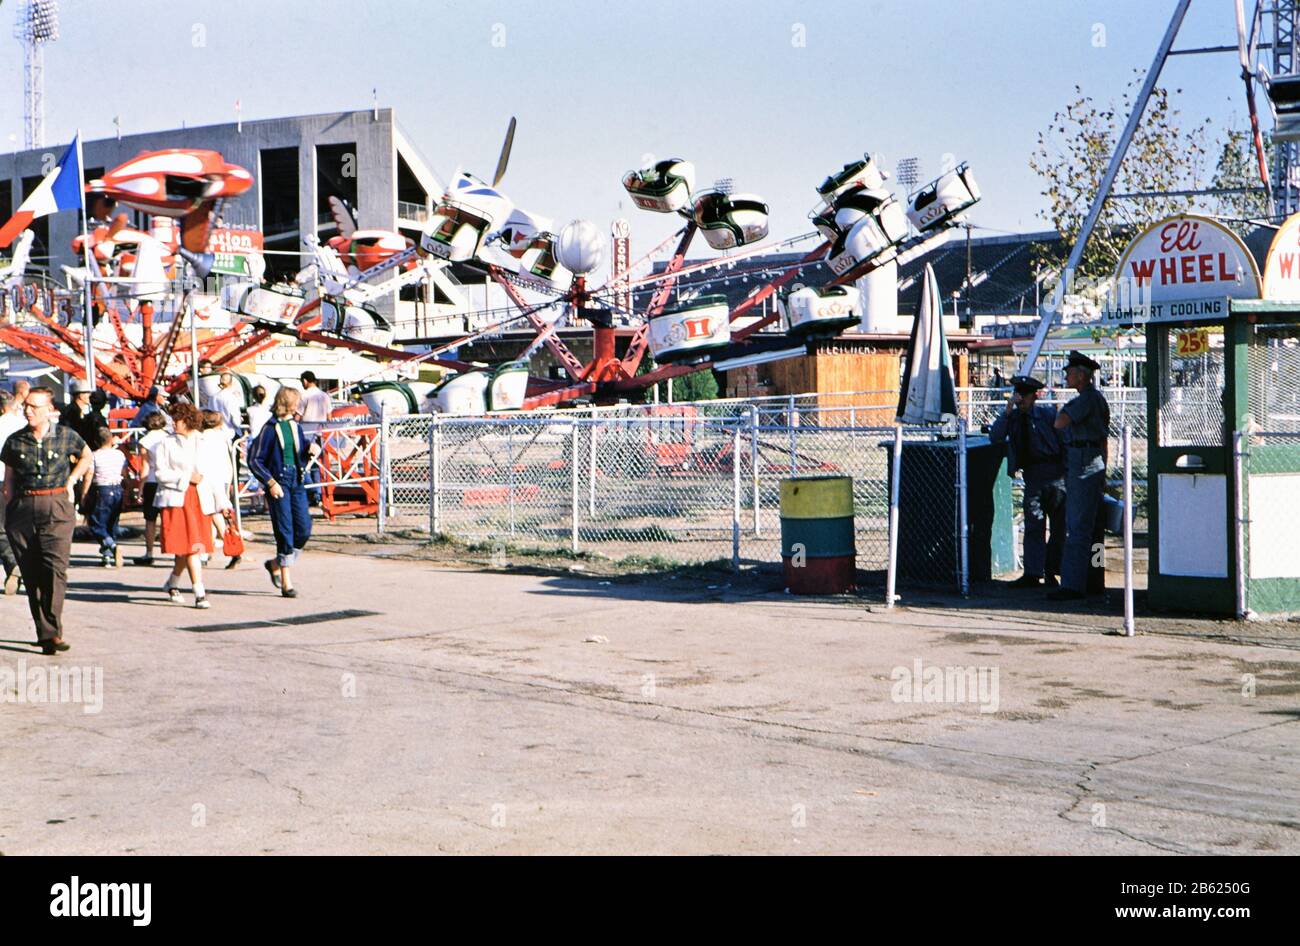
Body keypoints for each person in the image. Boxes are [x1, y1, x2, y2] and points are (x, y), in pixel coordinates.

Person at [0, 386, 92, 653]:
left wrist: (73, 480)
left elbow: (86, 455)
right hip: (23, 507)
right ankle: (45, 632)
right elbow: (9, 475)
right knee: (31, 572)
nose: (28, 410)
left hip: (56, 506)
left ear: (49, 411)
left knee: (55, 568)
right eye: (27, 405)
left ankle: (52, 632)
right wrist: (9, 498)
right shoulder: (15, 440)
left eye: (34, 407)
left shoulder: (66, 436)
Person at [989, 375, 1066, 589]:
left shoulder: (1049, 415)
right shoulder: (1012, 418)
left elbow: (1064, 442)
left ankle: (1054, 570)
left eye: (1025, 395)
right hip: (1032, 475)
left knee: (1059, 526)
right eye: (1018, 394)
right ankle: (1033, 572)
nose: (1021, 399)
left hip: (1055, 474)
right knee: (1034, 524)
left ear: (1035, 396)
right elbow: (995, 437)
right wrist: (1007, 411)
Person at [1050, 351, 1111, 603]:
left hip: (1082, 462)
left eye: (1070, 372)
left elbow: (1060, 422)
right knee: (1095, 526)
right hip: (1093, 460)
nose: (1066, 375)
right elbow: (1105, 440)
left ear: (1082, 376)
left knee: (1077, 527)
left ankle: (1073, 584)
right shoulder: (1097, 399)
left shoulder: (1085, 400)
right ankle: (1095, 578)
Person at [248, 386, 319, 598]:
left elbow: (299, 451)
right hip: (279, 482)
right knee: (285, 529)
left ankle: (275, 564)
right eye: (296, 402)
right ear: (288, 403)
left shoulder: (294, 426)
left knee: (304, 528)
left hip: (295, 480)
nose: (299, 406)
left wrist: (310, 449)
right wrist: (270, 482)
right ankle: (287, 581)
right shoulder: (270, 428)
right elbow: (254, 459)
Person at [153, 402, 220, 609]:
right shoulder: (165, 443)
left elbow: (213, 473)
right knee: (188, 547)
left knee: (191, 546)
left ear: (188, 420)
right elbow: (160, 473)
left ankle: (173, 583)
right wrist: (186, 477)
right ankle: (199, 592)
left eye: (178, 420)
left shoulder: (203, 441)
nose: (174, 424)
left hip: (200, 498)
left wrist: (222, 503)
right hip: (177, 498)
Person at [199, 409, 237, 567]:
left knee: (209, 513)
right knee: (217, 512)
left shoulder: (201, 438)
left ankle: (208, 551)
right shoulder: (223, 436)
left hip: (207, 477)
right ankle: (218, 548)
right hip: (224, 476)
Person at [84, 426, 126, 567]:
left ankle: (112, 546)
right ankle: (107, 556)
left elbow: (89, 475)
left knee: (96, 523)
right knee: (111, 524)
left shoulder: (94, 456)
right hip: (118, 488)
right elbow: (125, 473)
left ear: (96, 441)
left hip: (102, 489)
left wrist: (84, 493)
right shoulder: (119, 455)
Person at [132, 411, 169, 566]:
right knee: (168, 518)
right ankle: (174, 550)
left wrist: (140, 487)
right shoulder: (169, 437)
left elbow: (145, 467)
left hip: (152, 480)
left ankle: (149, 552)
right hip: (168, 480)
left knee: (150, 519)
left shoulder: (145, 441)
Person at [0, 388, 26, 594]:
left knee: (2, 528)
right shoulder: (24, 425)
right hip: (26, 482)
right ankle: (29, 567)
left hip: (1, 481)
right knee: (24, 526)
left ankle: (13, 564)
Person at [298, 372, 331, 506]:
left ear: (305, 381)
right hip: (321, 433)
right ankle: (318, 493)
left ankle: (311, 491)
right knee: (317, 465)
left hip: (306, 433)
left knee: (303, 464)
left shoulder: (304, 396)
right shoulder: (324, 396)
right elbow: (329, 417)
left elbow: (298, 416)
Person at [213, 370, 244, 436]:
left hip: (216, 433)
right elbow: (236, 421)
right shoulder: (232, 398)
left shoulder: (212, 398)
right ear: (231, 383)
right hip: (230, 433)